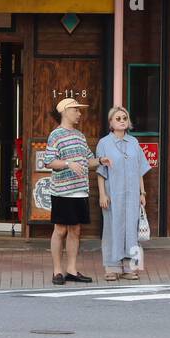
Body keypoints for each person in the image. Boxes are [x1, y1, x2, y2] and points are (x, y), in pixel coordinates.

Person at [41, 98, 110, 287]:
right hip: (62, 192)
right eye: (76, 110)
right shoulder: (55, 135)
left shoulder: (80, 136)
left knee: (76, 230)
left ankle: (71, 270)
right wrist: (67, 164)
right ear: (64, 111)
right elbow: (49, 162)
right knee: (60, 229)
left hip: (80, 191)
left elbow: (88, 161)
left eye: (79, 110)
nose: (79, 113)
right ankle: (57, 271)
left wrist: (101, 160)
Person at [96, 106, 153, 283]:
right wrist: (102, 194)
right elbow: (100, 172)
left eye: (124, 118)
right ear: (111, 123)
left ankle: (131, 267)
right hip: (113, 193)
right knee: (113, 229)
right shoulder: (104, 143)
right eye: (118, 118)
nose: (122, 121)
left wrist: (142, 192)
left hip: (133, 195)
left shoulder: (134, 143)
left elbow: (139, 170)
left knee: (131, 230)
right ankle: (112, 267)